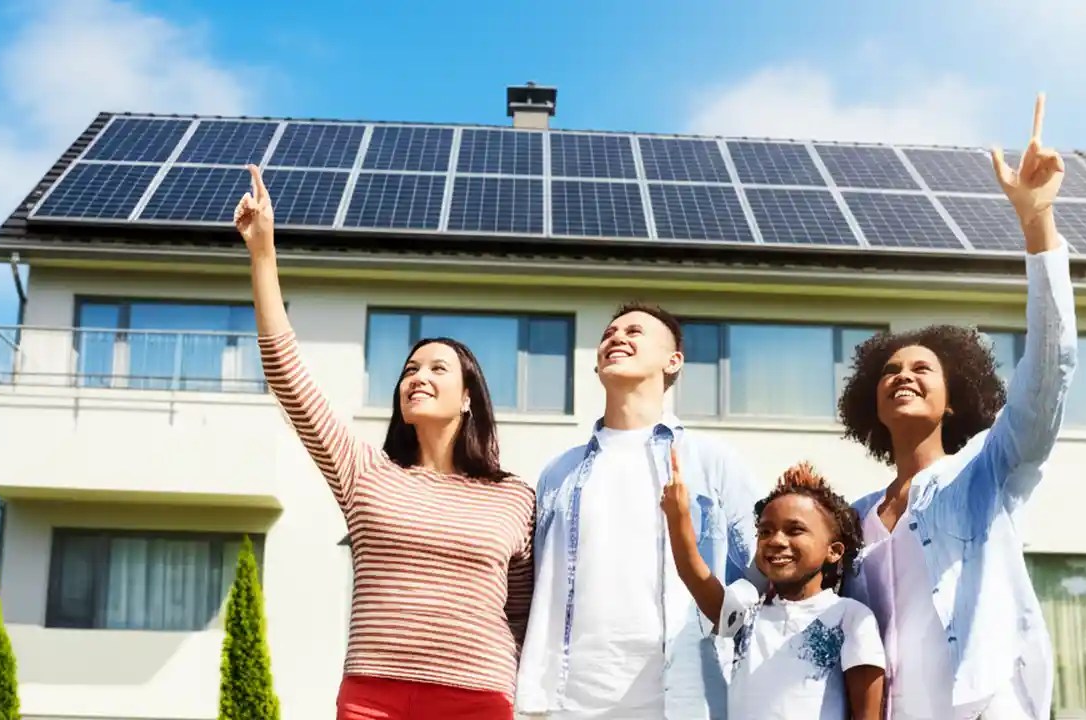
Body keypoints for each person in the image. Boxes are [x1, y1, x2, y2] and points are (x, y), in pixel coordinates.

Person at [234, 164, 535, 720]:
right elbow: (285, 373)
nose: (417, 376)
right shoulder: (366, 472)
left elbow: (520, 611)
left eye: (437, 368)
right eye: (409, 369)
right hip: (375, 695)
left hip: (480, 698)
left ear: (468, 397)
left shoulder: (515, 497)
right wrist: (263, 256)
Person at [835, 93, 1078, 720]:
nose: (903, 377)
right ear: (873, 402)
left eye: (922, 369)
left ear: (952, 403)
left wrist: (1037, 227)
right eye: (890, 371)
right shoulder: (854, 520)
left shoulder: (987, 473)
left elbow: (1048, 373)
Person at [516, 303, 765, 720]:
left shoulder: (711, 461)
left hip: (682, 698)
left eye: (634, 331)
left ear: (673, 361)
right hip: (566, 702)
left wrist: (725, 620)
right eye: (608, 333)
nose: (616, 337)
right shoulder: (559, 472)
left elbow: (763, 571)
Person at [662, 454, 886, 720]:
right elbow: (695, 575)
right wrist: (679, 518)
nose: (776, 541)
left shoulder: (850, 617)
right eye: (765, 531)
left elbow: (867, 714)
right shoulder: (747, 615)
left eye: (795, 530)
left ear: (834, 551)